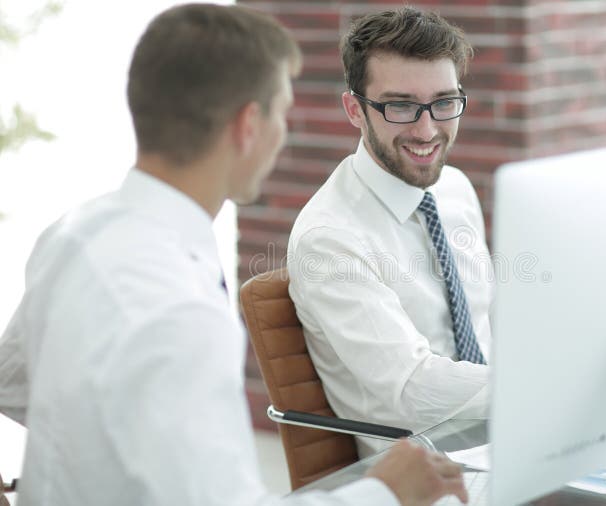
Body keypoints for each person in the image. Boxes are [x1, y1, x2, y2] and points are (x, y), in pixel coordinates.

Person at [0, 4, 467, 505]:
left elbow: (14, 385)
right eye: (282, 112)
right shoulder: (183, 311)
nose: (283, 134)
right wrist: (384, 492)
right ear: (249, 125)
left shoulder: (71, 235)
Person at [287, 7, 492, 457]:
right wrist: (536, 386)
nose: (427, 129)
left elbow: (484, 325)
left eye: (443, 102)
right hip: (418, 471)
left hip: (503, 439)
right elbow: (413, 391)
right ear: (355, 110)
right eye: (400, 106)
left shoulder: (454, 188)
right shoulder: (330, 237)